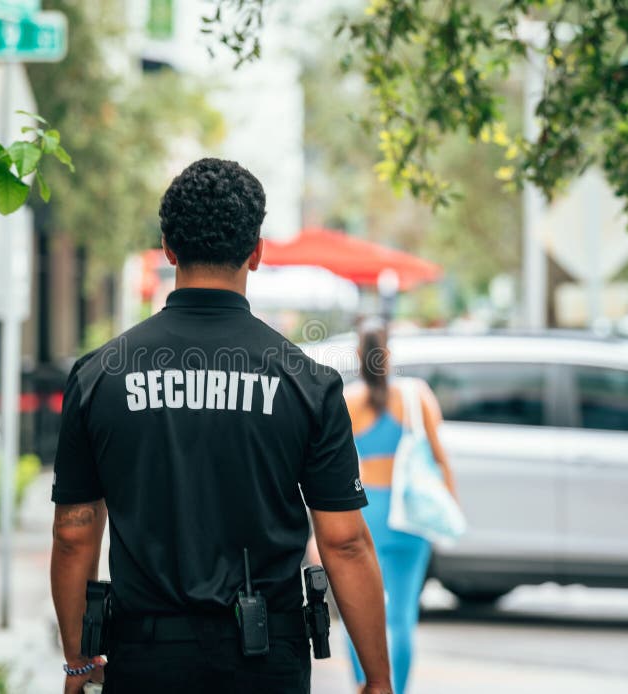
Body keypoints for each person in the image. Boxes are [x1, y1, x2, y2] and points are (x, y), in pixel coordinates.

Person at [49, 158, 395, 694]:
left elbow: (74, 532)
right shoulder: (308, 383)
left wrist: (78, 663)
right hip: (266, 661)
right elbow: (344, 543)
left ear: (168, 247)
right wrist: (377, 678)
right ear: (256, 252)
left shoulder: (99, 376)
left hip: (144, 659)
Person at [343, 318, 458, 694]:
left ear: (359, 356)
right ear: (389, 355)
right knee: (402, 615)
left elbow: (337, 468)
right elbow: (440, 458)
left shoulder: (348, 400)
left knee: (358, 609)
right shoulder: (416, 395)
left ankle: (364, 685)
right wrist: (449, 505)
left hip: (367, 511)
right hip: (409, 514)